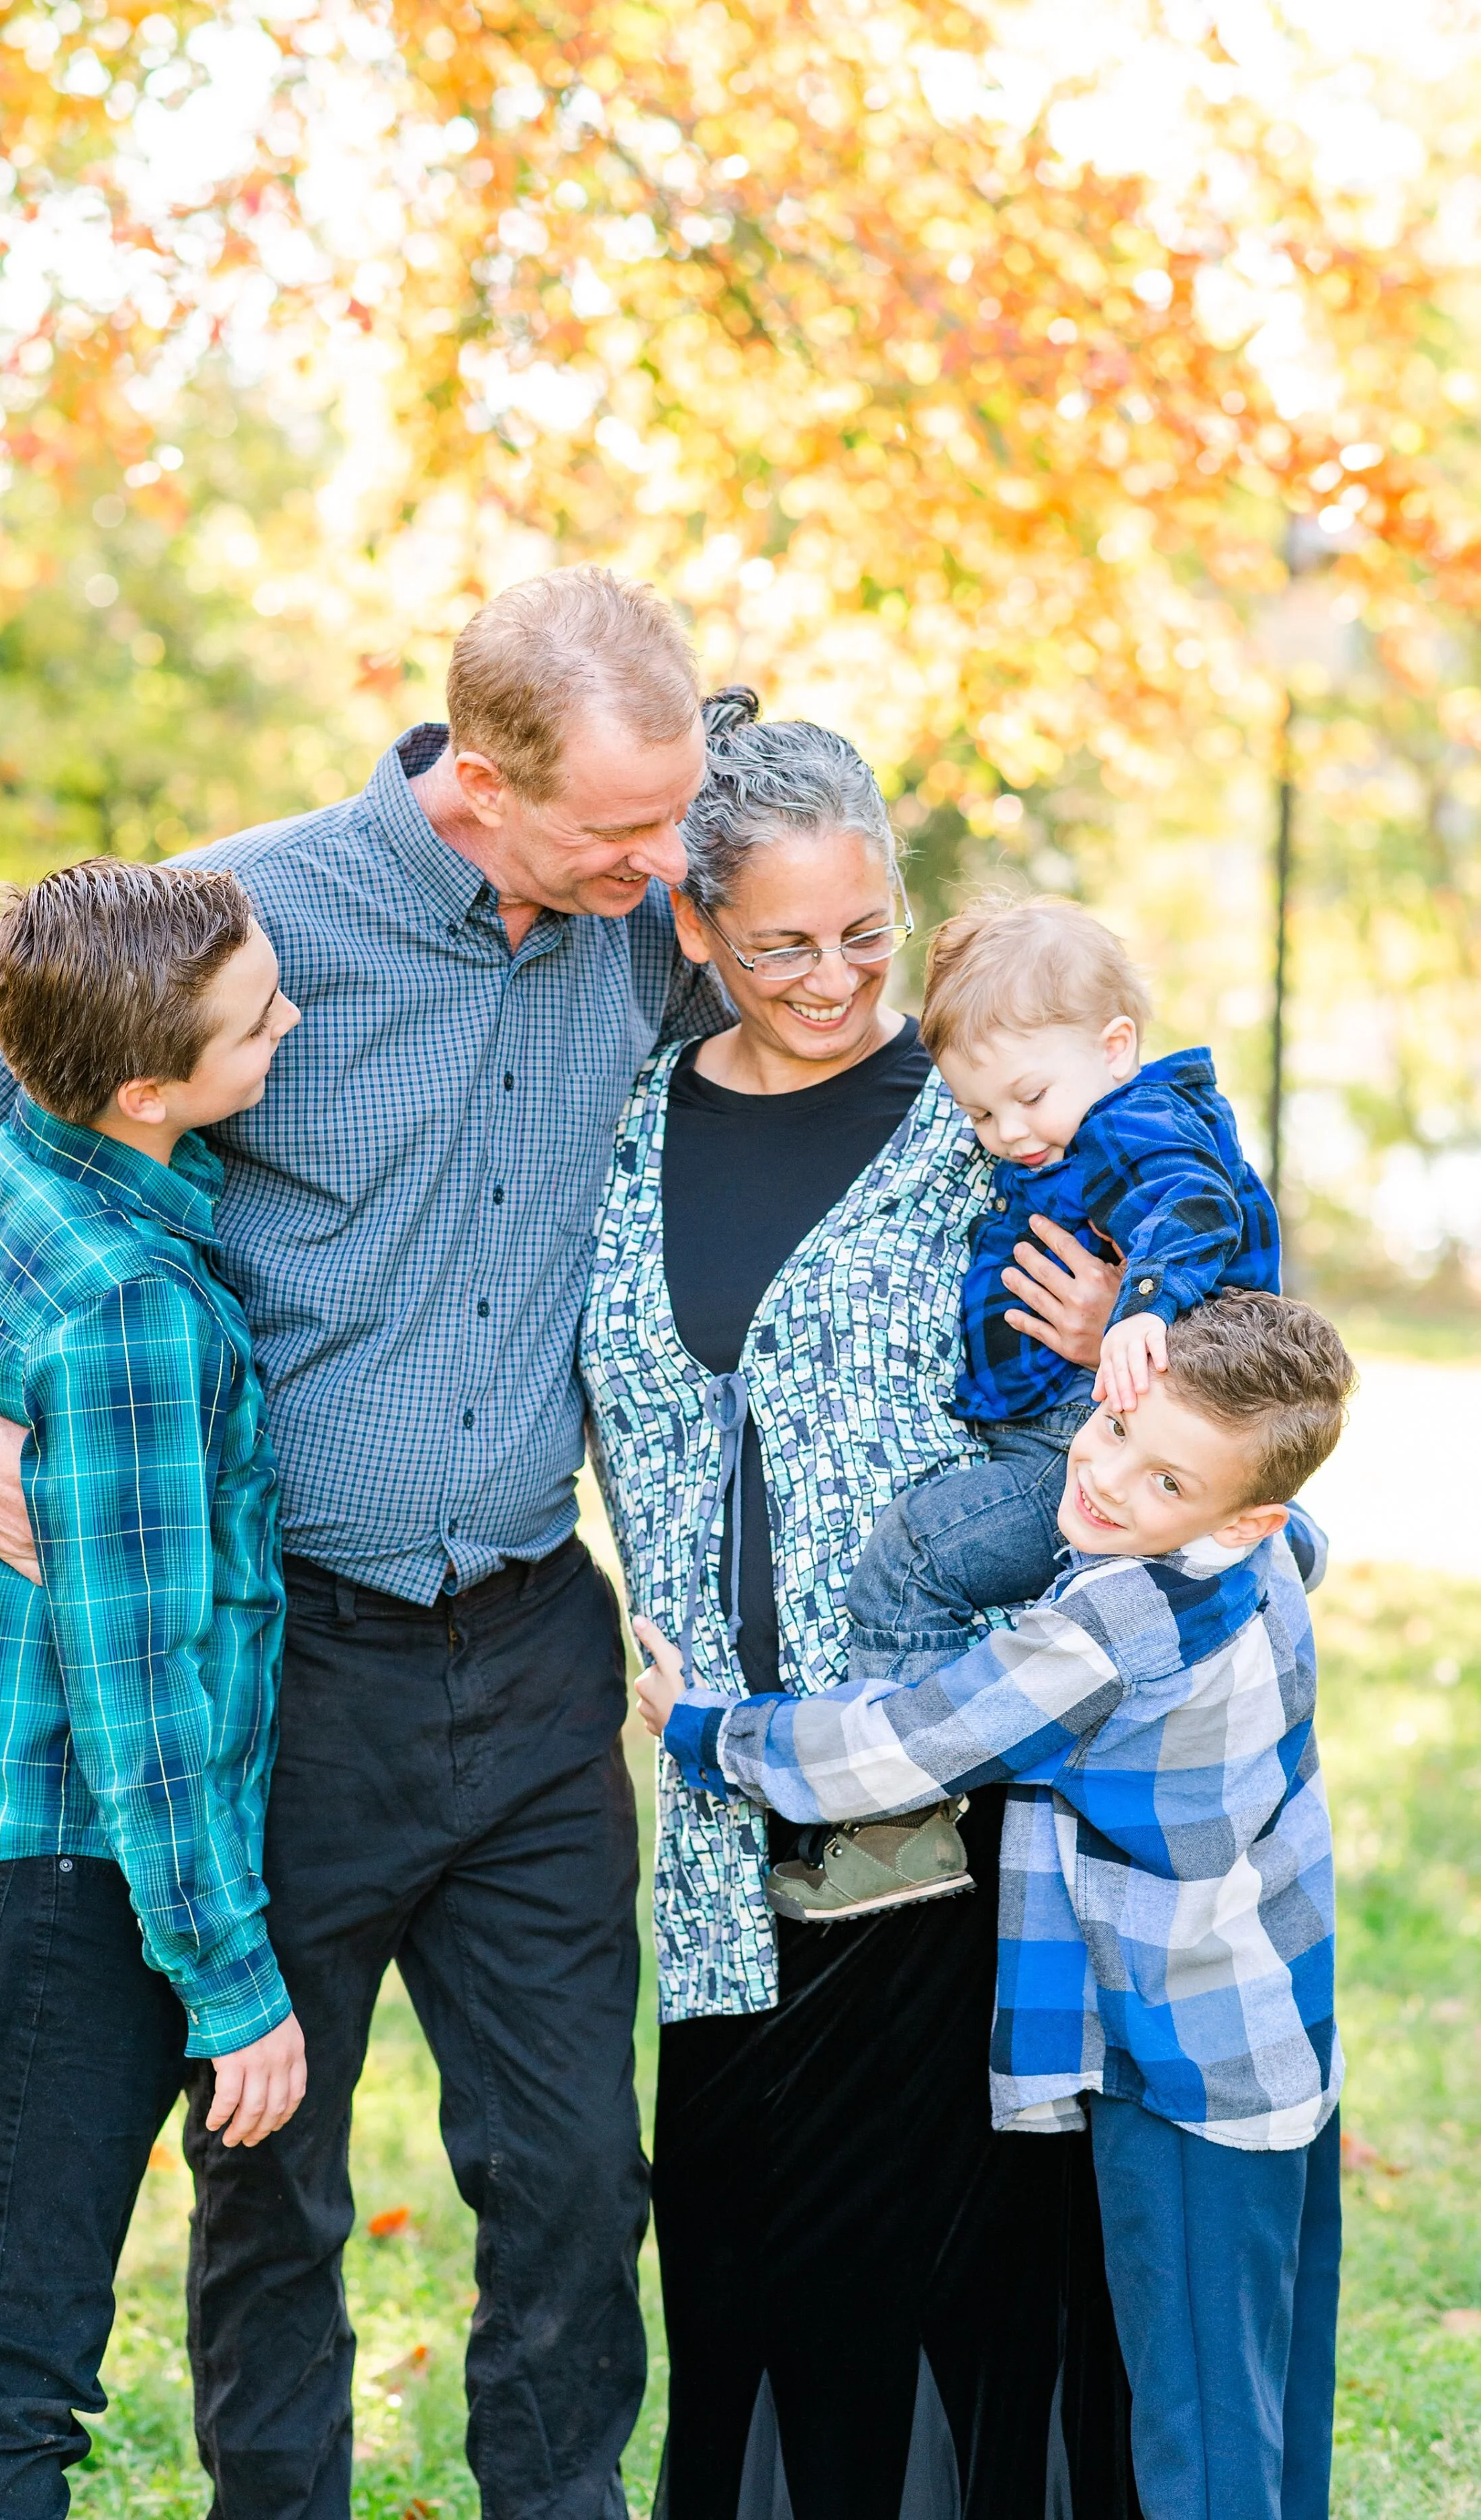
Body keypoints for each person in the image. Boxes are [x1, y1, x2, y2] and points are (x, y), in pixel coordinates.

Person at [0, 567, 726, 2520]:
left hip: (532, 1652)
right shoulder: (240, 930)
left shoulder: (645, 923)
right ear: (479, 782)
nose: (674, 866)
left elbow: (863, 1033)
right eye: (626, 829)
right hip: (287, 1665)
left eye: (679, 816)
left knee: (578, 2169)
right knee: (271, 2174)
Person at [579, 689, 1138, 2519]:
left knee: (971, 2295)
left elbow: (1188, 1406)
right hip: (724, 1838)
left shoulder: (998, 1122)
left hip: (965, 1822)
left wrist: (1116, 1343)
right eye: (779, 946)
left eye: (863, 934)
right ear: (692, 928)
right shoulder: (624, 1129)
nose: (832, 981)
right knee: (745, 2277)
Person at [637, 1289, 1354, 2520]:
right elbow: (1307, 1534)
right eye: (1118, 1422)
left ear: (1243, 1516)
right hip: (1286, 2047)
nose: (1111, 1475)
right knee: (1268, 2386)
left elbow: (904, 1745)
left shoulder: (1111, 1631)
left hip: (1184, 2078)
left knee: (1194, 2428)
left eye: (1169, 1482)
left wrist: (705, 1728)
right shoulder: (1275, 1556)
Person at [0, 860, 305, 2519]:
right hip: (53, 1872)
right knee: (9, 2381)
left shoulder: (42, 1163)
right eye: (256, 1024)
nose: (290, 1025)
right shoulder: (133, 1311)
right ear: (149, 1086)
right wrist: (230, 1977)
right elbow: (144, 1696)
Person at [771, 893, 1281, 1922]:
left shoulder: (1135, 1124)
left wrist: (1141, 1312)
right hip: (1071, 1432)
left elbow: (1193, 1203)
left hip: (1087, 1446)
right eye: (979, 1114)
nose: (1008, 1133)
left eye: (1026, 1096)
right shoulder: (1079, 1122)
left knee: (916, 1550)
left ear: (1116, 1045)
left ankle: (896, 1820)